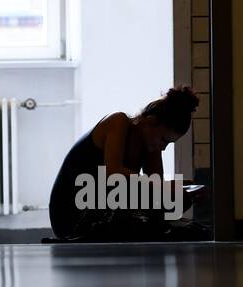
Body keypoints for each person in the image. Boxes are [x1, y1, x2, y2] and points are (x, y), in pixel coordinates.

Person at [47, 85, 209, 241]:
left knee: (194, 230)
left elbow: (155, 196)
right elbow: (114, 173)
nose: (163, 147)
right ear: (151, 121)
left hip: (103, 208)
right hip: (71, 215)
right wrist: (164, 188)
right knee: (150, 225)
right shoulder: (118, 122)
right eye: (163, 140)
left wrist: (180, 194)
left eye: (168, 144)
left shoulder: (151, 144)